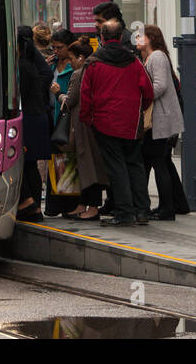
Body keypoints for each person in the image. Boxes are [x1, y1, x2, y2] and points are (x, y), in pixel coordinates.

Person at [79, 18, 153, 227]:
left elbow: (86, 96)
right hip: (131, 122)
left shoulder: (93, 62)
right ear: (121, 37)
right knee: (135, 164)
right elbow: (148, 91)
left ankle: (125, 211)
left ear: (102, 37)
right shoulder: (134, 61)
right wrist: (140, 110)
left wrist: (87, 119)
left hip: (105, 123)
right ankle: (142, 210)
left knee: (116, 167)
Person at [136, 25, 188, 220]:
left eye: (140, 36)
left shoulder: (157, 57)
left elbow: (160, 86)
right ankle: (163, 206)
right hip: (155, 119)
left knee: (159, 163)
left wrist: (140, 96)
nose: (137, 39)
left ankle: (167, 209)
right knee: (155, 161)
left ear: (150, 38)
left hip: (160, 118)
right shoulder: (150, 57)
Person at [62, 38, 107, 220]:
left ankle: (92, 207)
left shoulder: (78, 74)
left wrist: (58, 93)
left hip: (81, 126)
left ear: (81, 58)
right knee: (87, 166)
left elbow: (70, 101)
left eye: (71, 58)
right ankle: (83, 204)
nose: (69, 63)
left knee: (87, 166)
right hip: (94, 124)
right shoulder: (96, 69)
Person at [16, 25, 53, 220]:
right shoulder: (31, 58)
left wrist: (34, 93)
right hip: (36, 114)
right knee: (30, 164)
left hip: (29, 117)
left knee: (23, 162)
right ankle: (35, 207)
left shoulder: (22, 63)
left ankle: (28, 201)